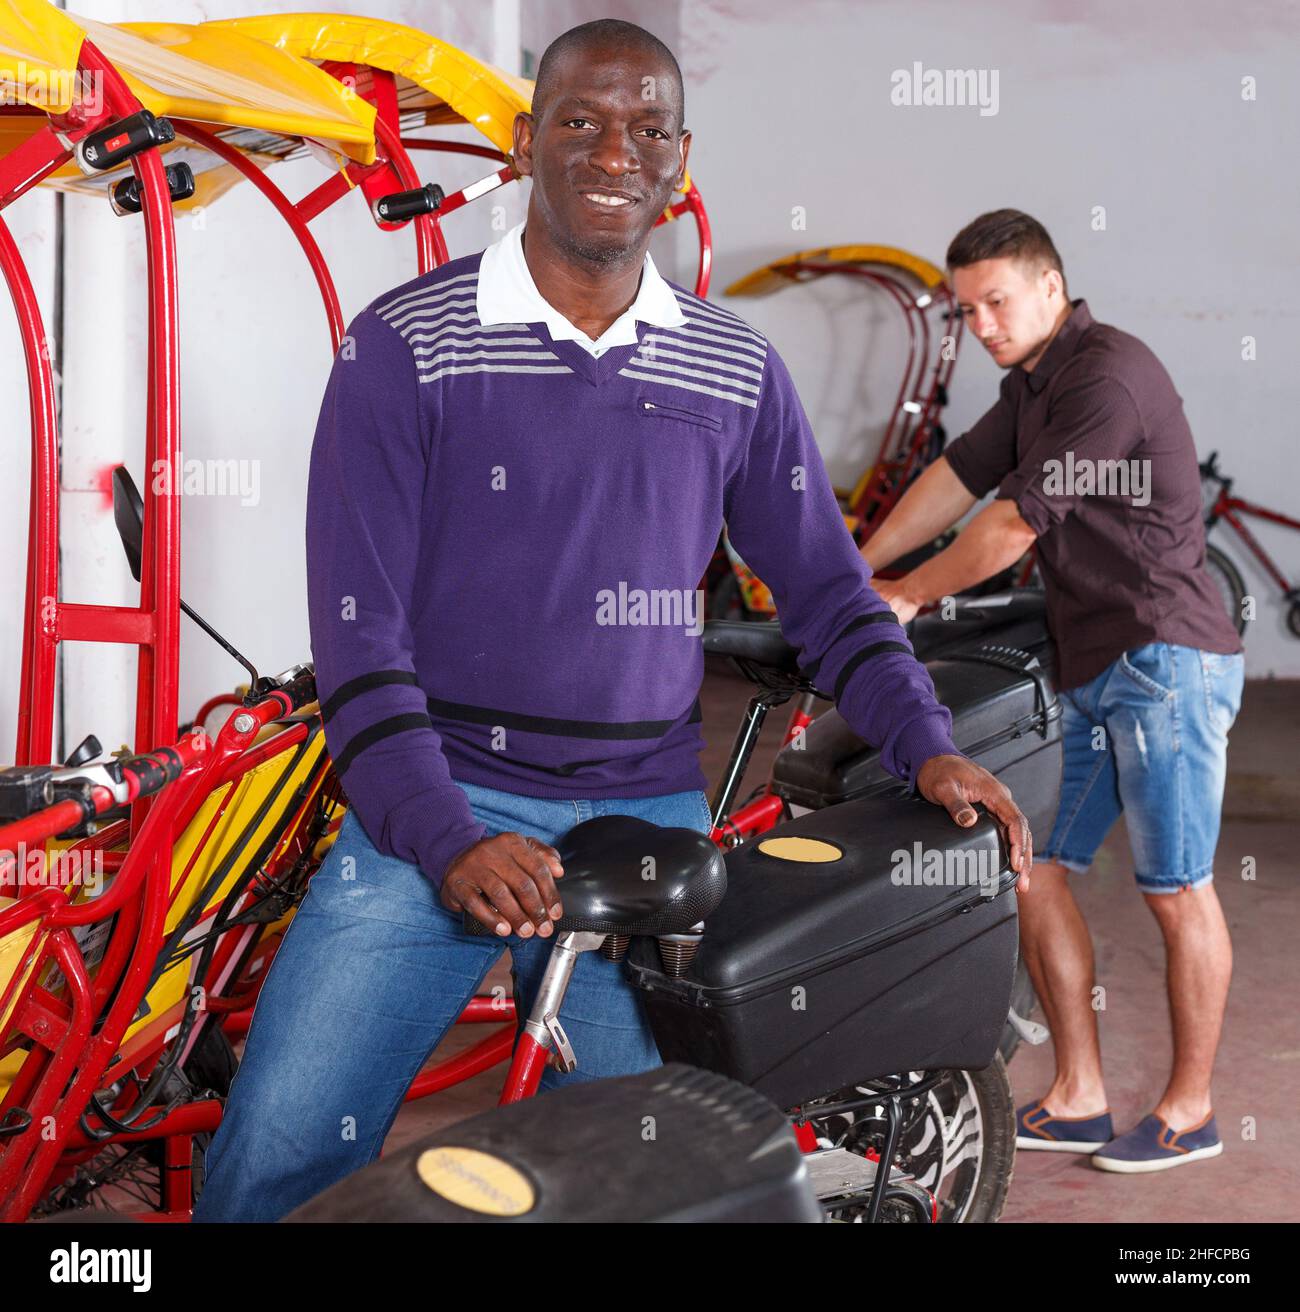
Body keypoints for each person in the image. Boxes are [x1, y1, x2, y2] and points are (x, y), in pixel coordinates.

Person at [192, 23, 1029, 1222]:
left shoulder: (732, 369)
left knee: (678, 1176)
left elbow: (831, 595)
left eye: (645, 128)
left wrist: (927, 742)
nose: (610, 151)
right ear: (529, 141)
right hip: (434, 809)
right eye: (579, 121)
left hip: (641, 823)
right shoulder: (402, 347)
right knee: (274, 1163)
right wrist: (444, 839)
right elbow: (358, 639)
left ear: (679, 162)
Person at [862, 209, 1244, 1173]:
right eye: (968, 309)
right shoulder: (1031, 384)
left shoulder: (1105, 376)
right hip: (1090, 662)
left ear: (1050, 286)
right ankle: (1076, 1095)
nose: (983, 322)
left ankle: (1191, 1112)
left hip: (1167, 661)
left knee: (1176, 889)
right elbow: (956, 476)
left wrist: (906, 593)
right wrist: (859, 567)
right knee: (1033, 870)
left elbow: (1010, 528)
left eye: (997, 301)